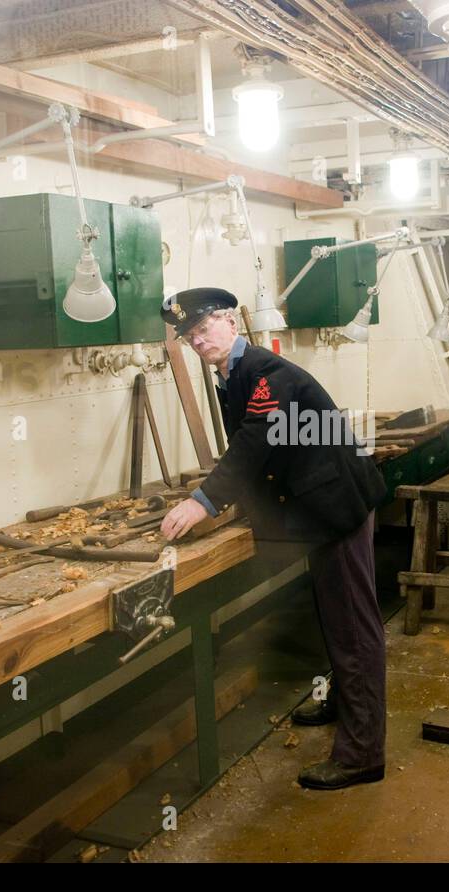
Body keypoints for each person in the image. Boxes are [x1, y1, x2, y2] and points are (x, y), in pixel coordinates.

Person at [158, 287, 388, 790]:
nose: (198, 341)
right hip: (315, 505)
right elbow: (263, 452)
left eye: (204, 328)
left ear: (231, 322)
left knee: (353, 629)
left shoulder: (267, 373)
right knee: (335, 619)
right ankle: (346, 704)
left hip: (336, 508)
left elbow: (254, 441)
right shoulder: (230, 375)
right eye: (189, 335)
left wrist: (203, 501)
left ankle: (362, 754)